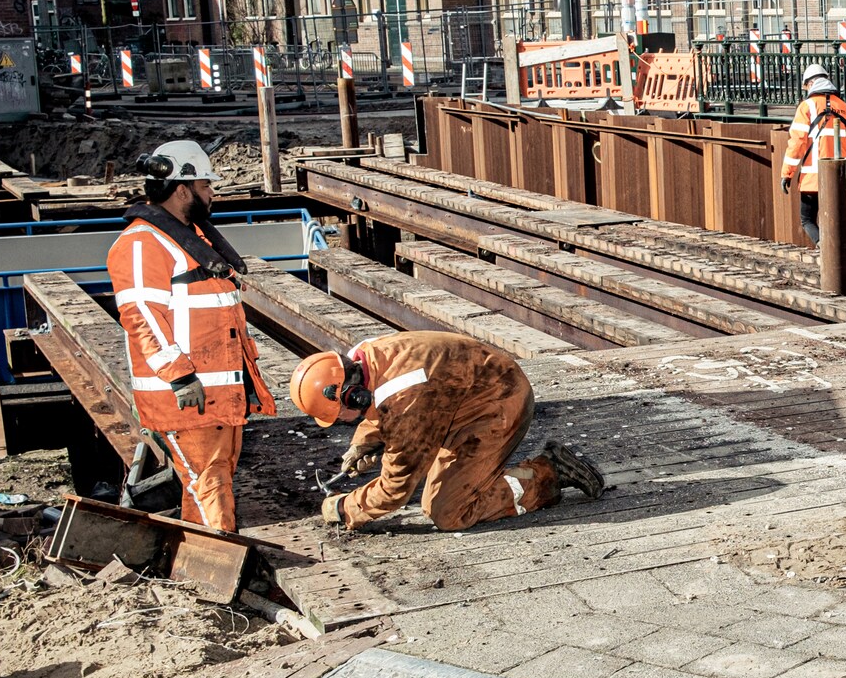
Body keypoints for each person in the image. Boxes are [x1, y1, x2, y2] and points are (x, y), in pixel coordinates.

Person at [105, 141, 273, 531]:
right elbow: (141, 315)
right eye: (205, 185)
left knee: (211, 480)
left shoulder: (188, 240)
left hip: (216, 394)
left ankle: (201, 562)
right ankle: (220, 562)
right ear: (182, 190)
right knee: (209, 483)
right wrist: (179, 376)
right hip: (188, 395)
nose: (212, 193)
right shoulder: (142, 244)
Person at [290, 331, 605, 532]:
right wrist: (365, 442)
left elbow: (395, 488)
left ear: (350, 395)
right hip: (470, 392)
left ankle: (549, 473)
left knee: (448, 511)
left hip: (499, 405)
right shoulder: (371, 357)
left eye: (340, 417)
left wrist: (347, 508)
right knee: (441, 488)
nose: (344, 422)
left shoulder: (405, 406)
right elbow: (383, 400)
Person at [779, 63, 846, 248]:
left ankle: (825, 249)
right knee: (835, 222)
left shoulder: (807, 106)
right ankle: (835, 255)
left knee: (807, 219)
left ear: (809, 84)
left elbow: (797, 143)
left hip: (812, 180)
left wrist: (787, 174)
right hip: (838, 180)